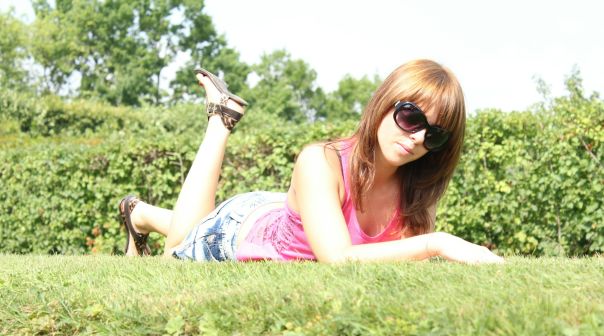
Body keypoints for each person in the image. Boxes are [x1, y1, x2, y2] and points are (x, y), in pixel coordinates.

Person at [119, 60, 504, 264]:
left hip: (292, 212)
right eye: (410, 117)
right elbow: (338, 258)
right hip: (239, 228)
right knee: (178, 247)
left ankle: (141, 214)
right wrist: (436, 243)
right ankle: (220, 121)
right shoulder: (320, 161)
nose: (418, 137)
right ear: (384, 103)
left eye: (434, 134)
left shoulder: (418, 189)